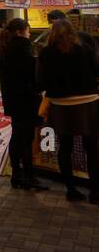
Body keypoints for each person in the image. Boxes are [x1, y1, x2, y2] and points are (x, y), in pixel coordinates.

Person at [36, 19, 99, 203]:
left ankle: (71, 190)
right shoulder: (85, 49)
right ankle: (95, 192)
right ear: (73, 32)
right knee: (92, 148)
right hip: (88, 103)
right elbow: (97, 70)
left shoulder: (45, 53)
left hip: (60, 106)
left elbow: (40, 82)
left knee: (65, 148)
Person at [0, 18, 45, 191]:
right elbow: (33, 74)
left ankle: (16, 174)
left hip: (11, 98)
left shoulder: (2, 47)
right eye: (27, 31)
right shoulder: (23, 47)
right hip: (26, 99)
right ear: (20, 31)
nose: (29, 34)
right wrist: (38, 89)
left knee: (17, 136)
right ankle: (29, 177)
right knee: (26, 138)